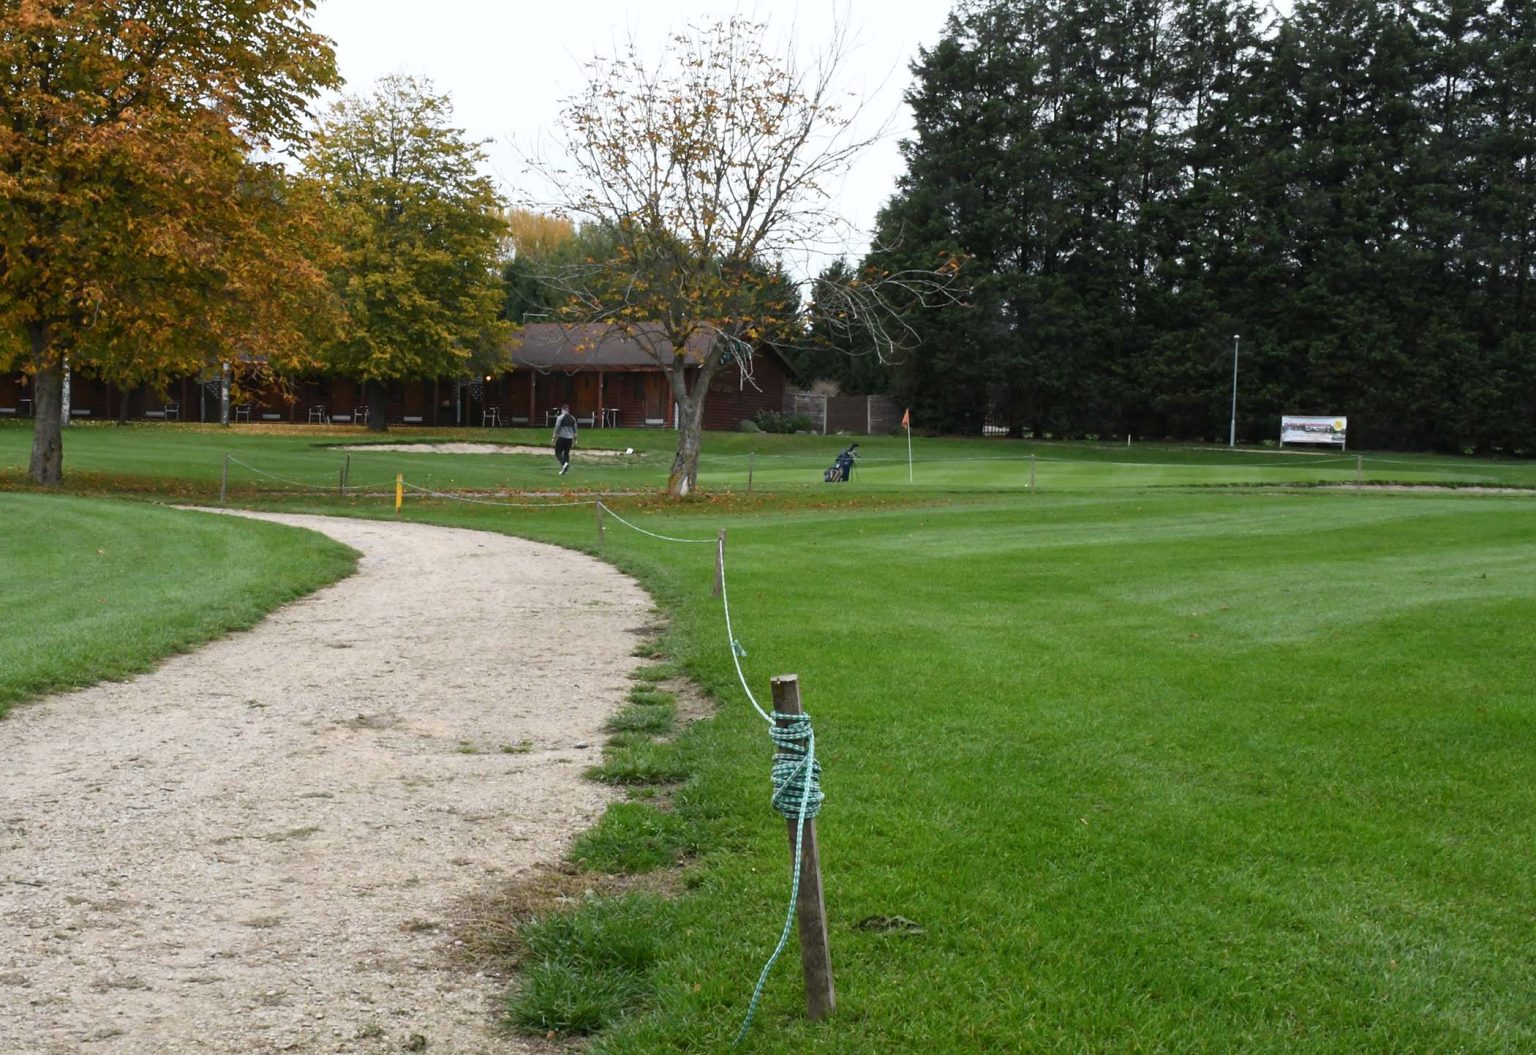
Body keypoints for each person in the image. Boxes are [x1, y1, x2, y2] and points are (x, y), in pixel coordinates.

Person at [552, 404, 578, 474]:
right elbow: (575, 430)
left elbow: (557, 427)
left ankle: (564, 464)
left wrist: (553, 437)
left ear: (563, 410)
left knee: (558, 452)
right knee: (566, 453)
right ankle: (565, 469)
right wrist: (575, 440)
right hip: (570, 439)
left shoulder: (560, 417)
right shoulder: (573, 418)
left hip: (562, 437)